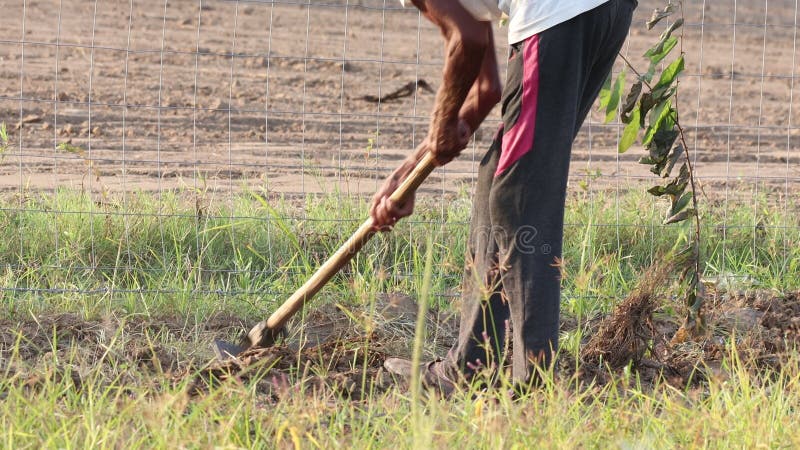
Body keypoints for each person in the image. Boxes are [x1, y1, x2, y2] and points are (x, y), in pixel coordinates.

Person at [369, 0, 637, 393]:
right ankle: (472, 365)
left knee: (518, 195)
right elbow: (486, 87)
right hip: (600, 12)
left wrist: (440, 123)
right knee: (498, 176)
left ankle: (536, 384)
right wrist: (417, 163)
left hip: (557, 16)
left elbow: (469, 38)